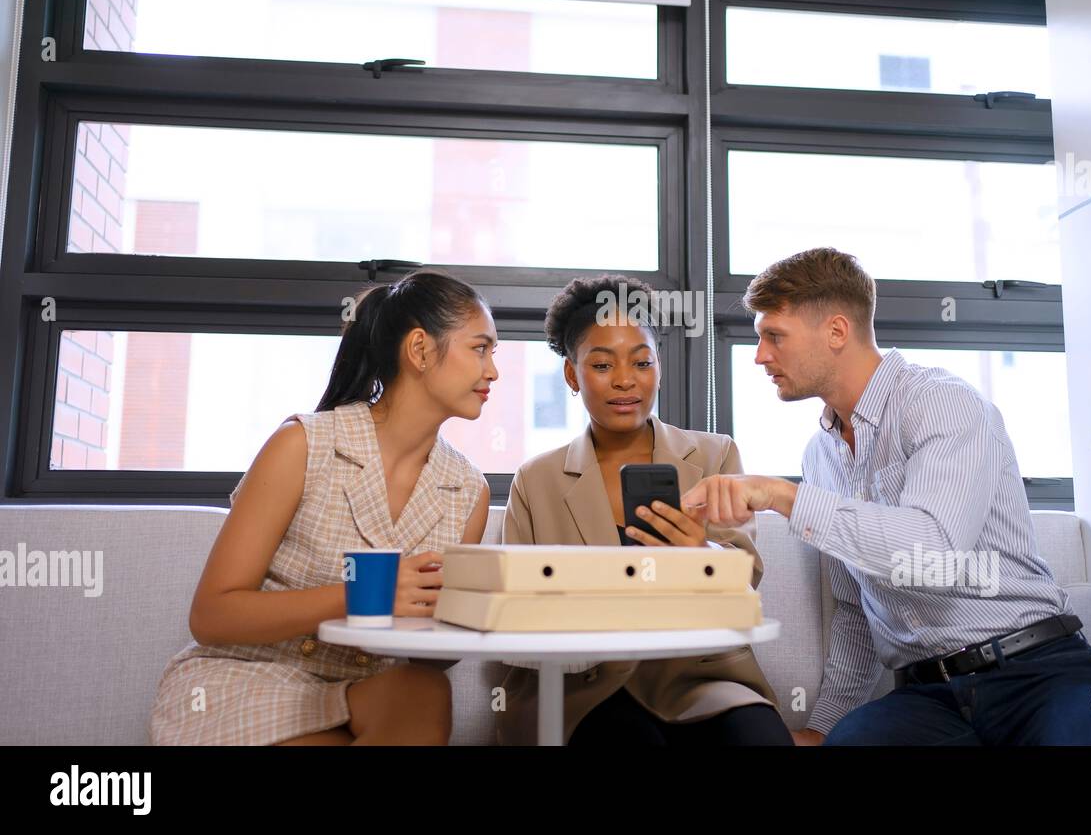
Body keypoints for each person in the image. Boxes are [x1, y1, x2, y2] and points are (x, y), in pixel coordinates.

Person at [681, 248, 1091, 746]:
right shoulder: (821, 457)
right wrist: (825, 726)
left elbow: (933, 554)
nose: (760, 355)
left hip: (1037, 673)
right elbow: (856, 608)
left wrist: (781, 496)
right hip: (928, 700)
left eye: (774, 336)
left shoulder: (941, 403)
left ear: (837, 331)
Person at [148, 268, 497, 745]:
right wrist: (362, 596)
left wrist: (459, 614)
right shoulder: (303, 445)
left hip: (371, 689)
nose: (492, 370)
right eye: (480, 348)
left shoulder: (467, 490)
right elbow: (212, 617)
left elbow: (429, 659)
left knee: (425, 688)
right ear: (419, 349)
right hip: (253, 681)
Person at [498, 274, 792, 745]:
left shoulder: (713, 456)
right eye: (601, 365)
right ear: (572, 375)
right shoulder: (538, 480)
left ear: (658, 367)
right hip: (582, 686)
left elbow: (745, 580)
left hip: (700, 678)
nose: (624, 380)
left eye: (641, 362)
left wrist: (703, 552)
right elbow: (516, 604)